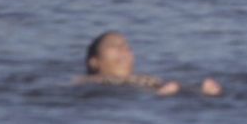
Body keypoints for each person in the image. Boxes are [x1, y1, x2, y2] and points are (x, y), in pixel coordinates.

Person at [77, 31, 220, 96]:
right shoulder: (89, 81)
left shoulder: (146, 78)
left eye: (127, 47)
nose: (124, 49)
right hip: (137, 96)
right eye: (114, 46)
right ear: (94, 61)